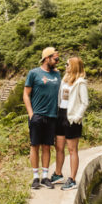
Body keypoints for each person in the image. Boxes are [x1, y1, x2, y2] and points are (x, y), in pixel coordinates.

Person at [23, 46, 61, 189]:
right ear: (47, 58)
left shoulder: (57, 75)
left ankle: (45, 176)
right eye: (55, 59)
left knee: (47, 146)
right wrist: (31, 114)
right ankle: (35, 177)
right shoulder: (33, 73)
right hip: (37, 115)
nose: (57, 61)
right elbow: (26, 94)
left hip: (52, 116)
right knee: (35, 146)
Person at [52, 56, 89, 190]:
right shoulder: (64, 80)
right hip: (61, 115)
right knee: (59, 147)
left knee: (72, 150)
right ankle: (58, 173)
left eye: (67, 64)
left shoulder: (80, 82)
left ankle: (72, 179)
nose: (65, 66)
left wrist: (77, 117)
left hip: (72, 117)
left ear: (73, 66)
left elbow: (85, 102)